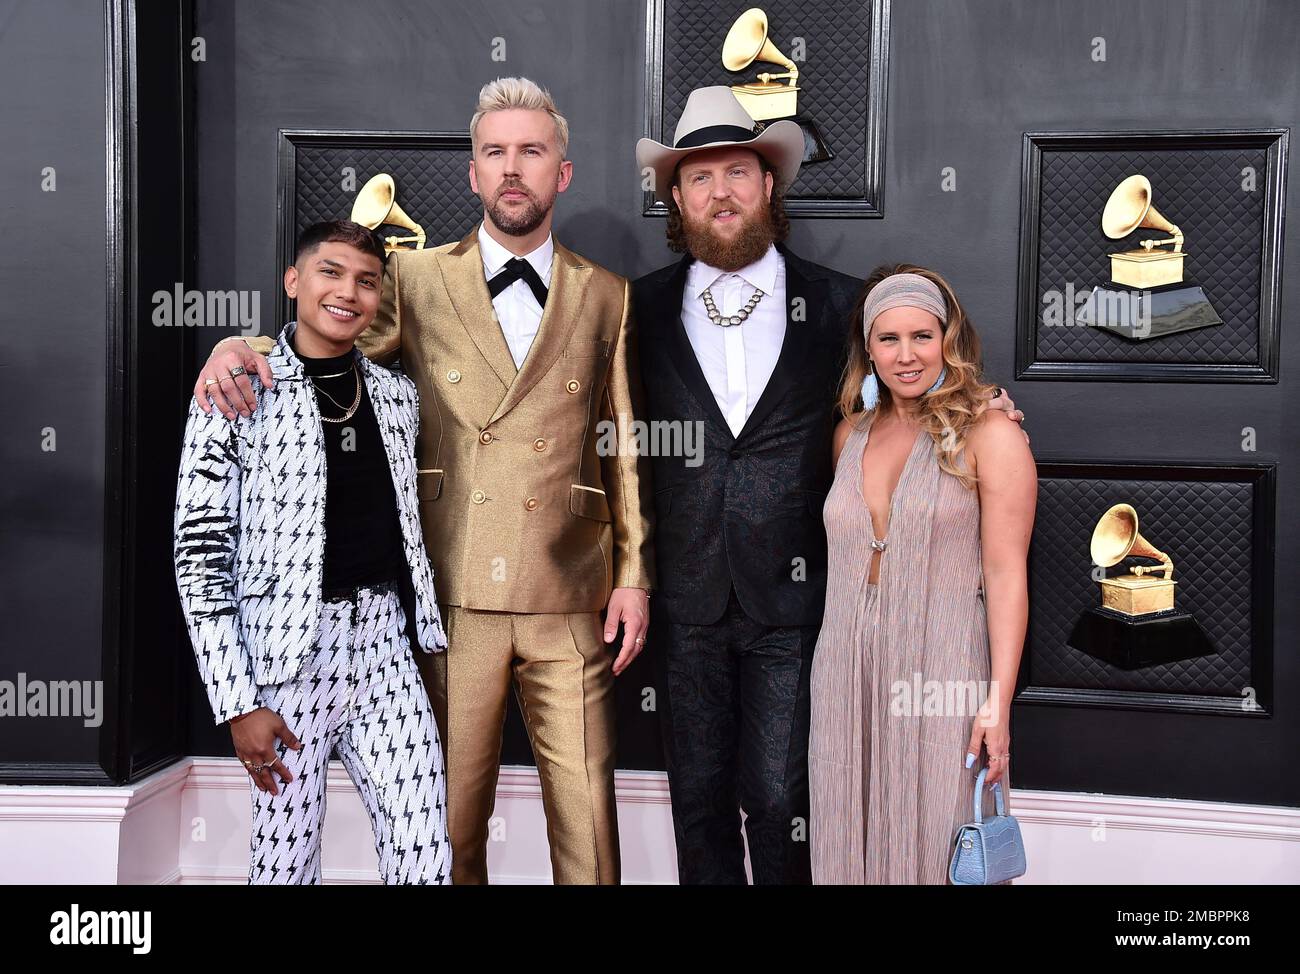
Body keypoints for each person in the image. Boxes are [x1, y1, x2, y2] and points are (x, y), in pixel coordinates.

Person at [190, 78, 652, 885]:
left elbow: (625, 448)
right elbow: (326, 341)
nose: (513, 169)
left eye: (532, 152)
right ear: (472, 173)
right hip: (451, 591)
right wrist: (245, 345)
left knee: (589, 827)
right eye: (494, 153)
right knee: (444, 830)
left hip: (571, 589)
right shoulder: (412, 276)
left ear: (562, 173)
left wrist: (635, 575)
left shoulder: (608, 293)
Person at [633, 88, 1025, 884]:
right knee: (698, 807)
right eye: (699, 176)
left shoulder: (845, 304)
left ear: (769, 184)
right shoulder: (632, 309)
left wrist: (980, 400)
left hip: (802, 605)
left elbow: (910, 375)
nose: (721, 191)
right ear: (675, 195)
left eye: (738, 171)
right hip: (687, 599)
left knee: (785, 803)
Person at [174, 220, 451, 884]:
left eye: (366, 280)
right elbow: (200, 554)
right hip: (284, 659)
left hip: (384, 646)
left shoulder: (395, 396)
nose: (348, 292)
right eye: (330, 272)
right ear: (294, 281)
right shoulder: (238, 391)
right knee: (284, 865)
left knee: (427, 852)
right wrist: (238, 700)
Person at [808, 266, 1037, 884]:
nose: (906, 356)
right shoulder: (848, 436)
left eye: (922, 336)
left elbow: (1006, 574)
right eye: (889, 339)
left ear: (948, 339)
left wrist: (998, 702)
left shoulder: (991, 435)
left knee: (938, 837)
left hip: (943, 677)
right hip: (845, 671)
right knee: (843, 825)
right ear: (867, 347)